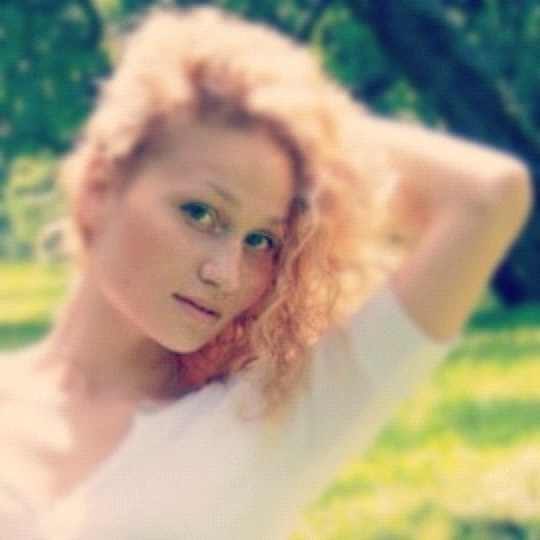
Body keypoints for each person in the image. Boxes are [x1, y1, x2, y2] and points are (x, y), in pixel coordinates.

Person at [0, 5, 532, 539]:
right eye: (201, 214)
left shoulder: (276, 413)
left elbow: (487, 196)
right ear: (100, 187)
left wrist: (297, 117)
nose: (226, 273)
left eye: (261, 240)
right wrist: (186, 95)